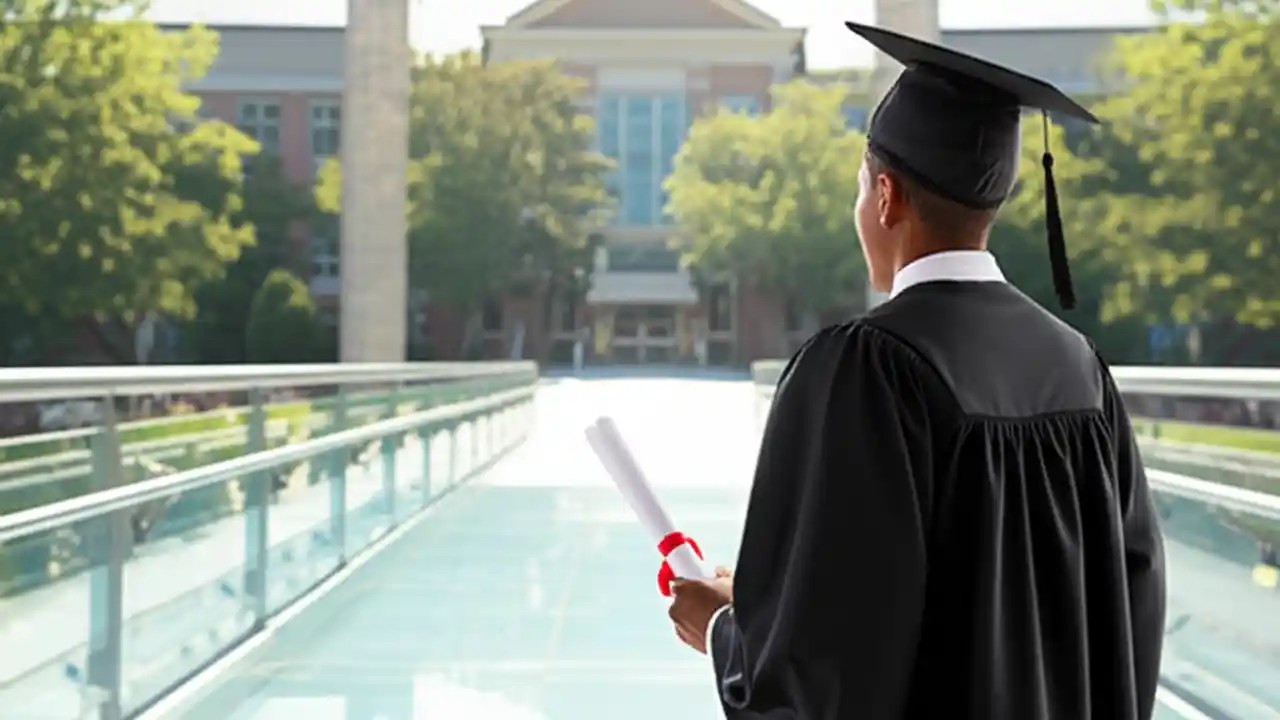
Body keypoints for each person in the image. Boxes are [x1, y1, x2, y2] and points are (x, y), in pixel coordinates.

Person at [667, 23, 1167, 719]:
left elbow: (826, 666)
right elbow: (1131, 612)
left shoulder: (866, 370)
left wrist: (725, 630)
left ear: (886, 197)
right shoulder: (1078, 368)